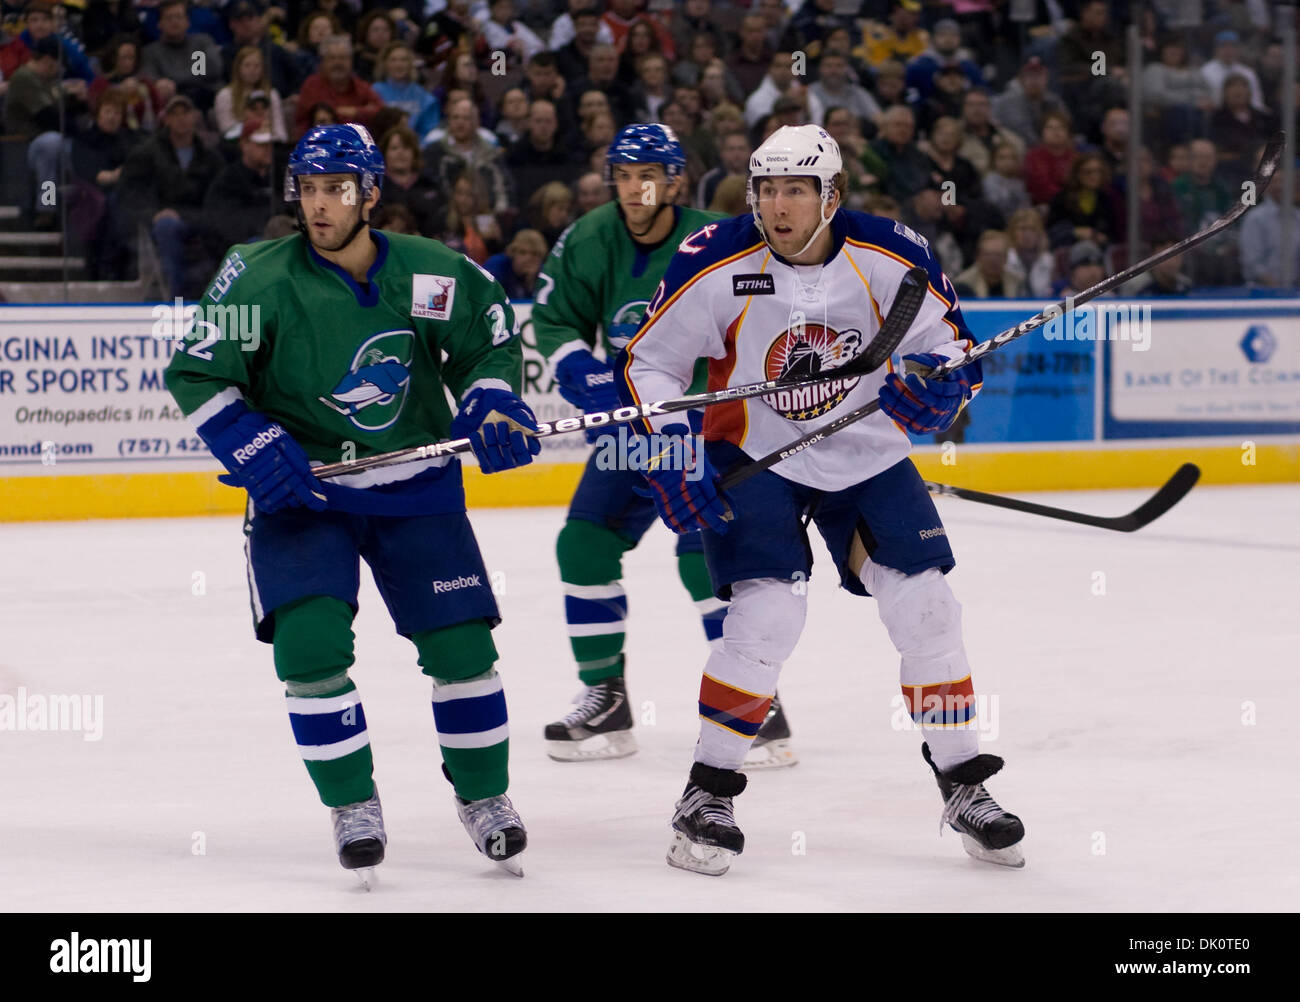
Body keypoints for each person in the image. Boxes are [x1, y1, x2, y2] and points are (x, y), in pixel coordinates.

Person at [617, 123, 1024, 875]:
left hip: (865, 456)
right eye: (767, 188)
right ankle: (706, 793)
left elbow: (951, 352)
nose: (778, 204)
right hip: (755, 453)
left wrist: (936, 392)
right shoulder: (714, 260)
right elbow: (651, 364)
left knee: (928, 606)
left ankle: (964, 782)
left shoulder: (893, 252)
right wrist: (673, 447)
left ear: (830, 195)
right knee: (768, 612)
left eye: (796, 189)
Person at [163, 123, 539, 883]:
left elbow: (486, 346)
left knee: (464, 652)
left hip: (417, 489)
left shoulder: (433, 273)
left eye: (336, 188)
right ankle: (352, 803)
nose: (319, 203)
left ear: (370, 192)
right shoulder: (257, 275)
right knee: (309, 651)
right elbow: (198, 374)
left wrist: (495, 403)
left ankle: (484, 798)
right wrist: (253, 444)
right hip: (305, 496)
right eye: (307, 188)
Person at [531, 124, 796, 769]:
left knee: (701, 560)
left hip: (706, 432)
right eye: (622, 174)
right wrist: (582, 372)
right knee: (584, 543)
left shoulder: (719, 239)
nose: (633, 188)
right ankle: (607, 698)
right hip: (630, 433)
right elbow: (552, 316)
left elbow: (767, 309)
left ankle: (755, 705)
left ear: (674, 180)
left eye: (647, 174)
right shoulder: (589, 238)